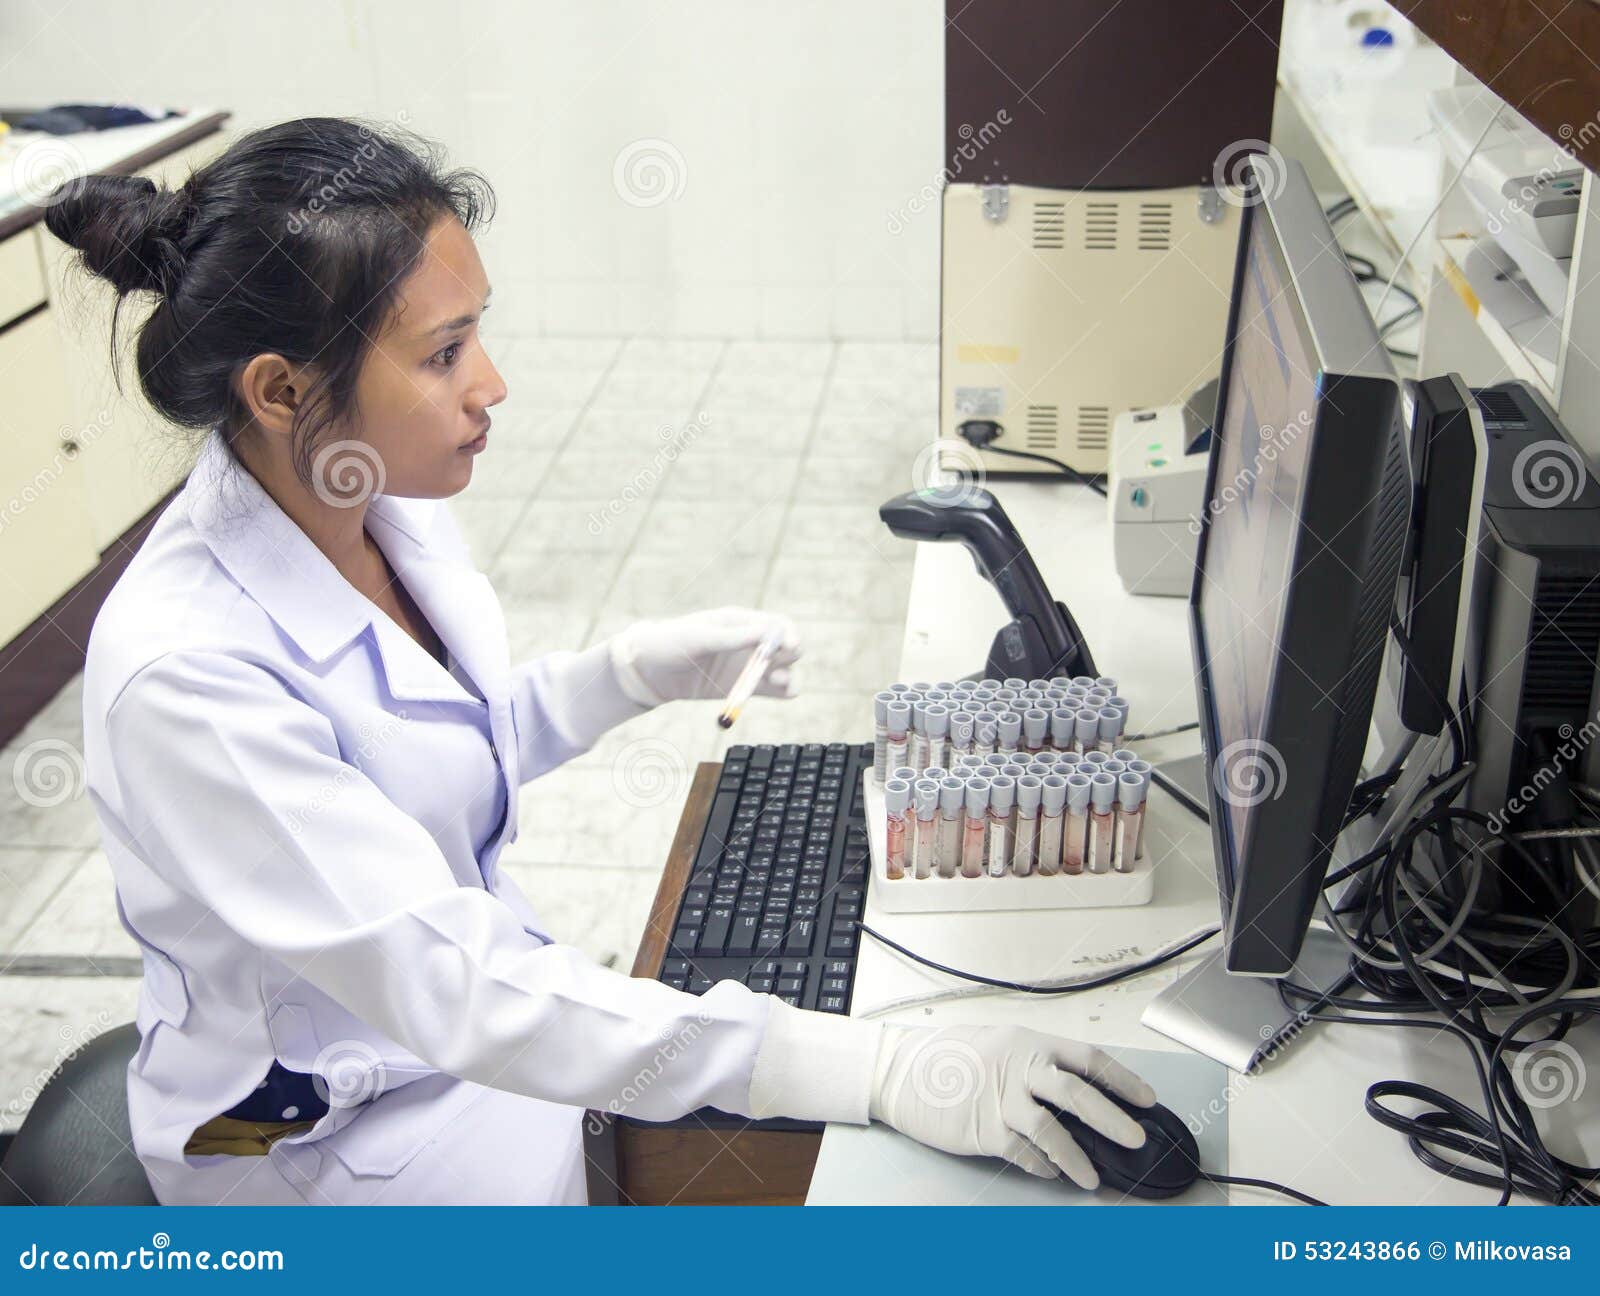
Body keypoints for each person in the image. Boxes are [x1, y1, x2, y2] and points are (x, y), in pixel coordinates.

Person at [48, 117, 1156, 1206]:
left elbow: (420, 758)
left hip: (447, 1042)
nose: (491, 385)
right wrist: (880, 1068)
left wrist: (622, 676)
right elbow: (456, 989)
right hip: (318, 1144)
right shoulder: (189, 679)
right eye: (442, 355)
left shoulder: (368, 499)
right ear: (283, 391)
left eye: (476, 332)